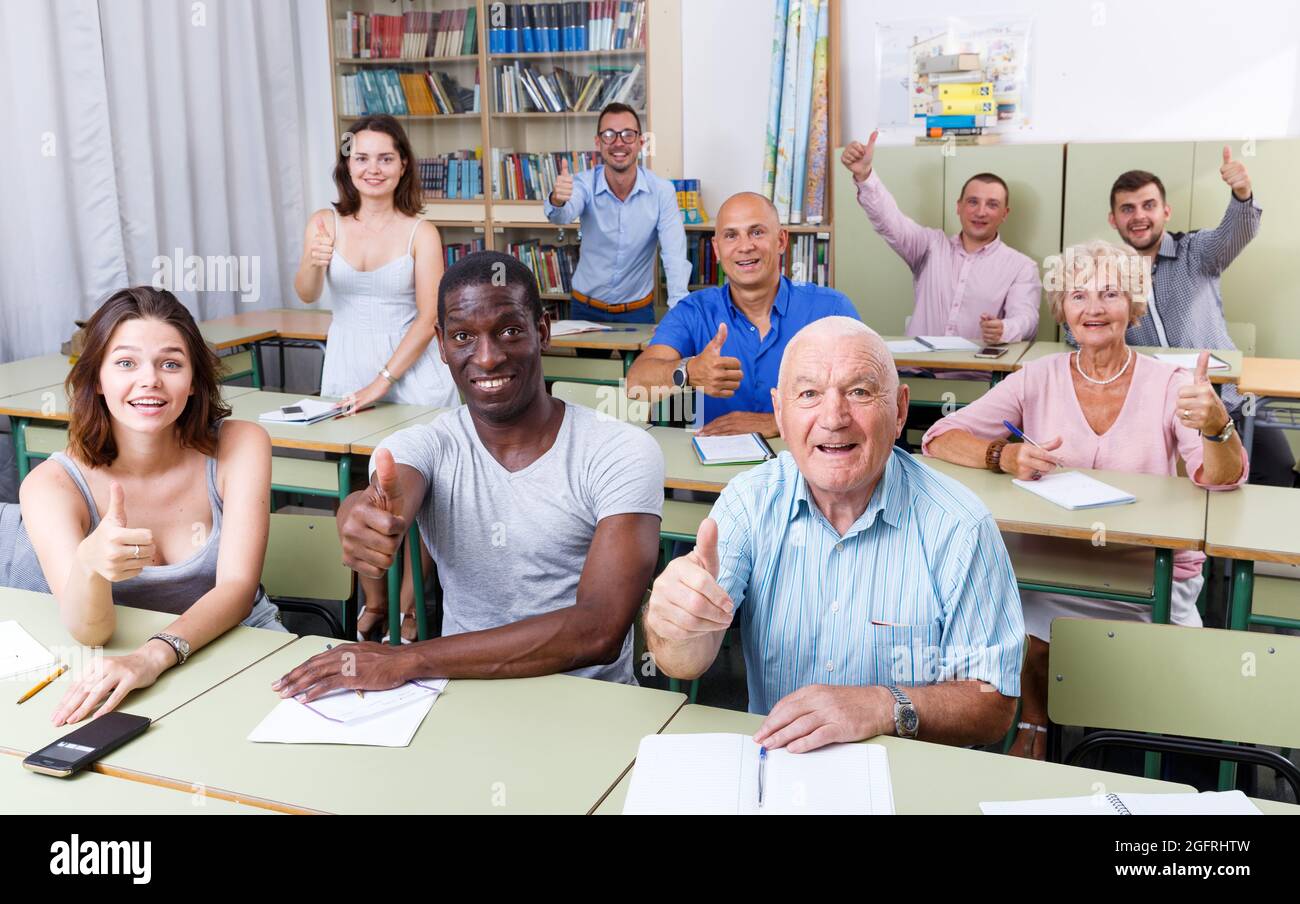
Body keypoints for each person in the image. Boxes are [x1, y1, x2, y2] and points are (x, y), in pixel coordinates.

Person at [272, 252, 664, 701]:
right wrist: (355, 515)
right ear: (440, 345)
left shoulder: (620, 451)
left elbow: (598, 630)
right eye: (463, 336)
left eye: (510, 331)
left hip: (589, 704)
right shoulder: (430, 444)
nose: (488, 357)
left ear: (543, 330)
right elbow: (384, 494)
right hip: (461, 697)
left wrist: (410, 659)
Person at [922, 239, 1248, 759]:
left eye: (1110, 293)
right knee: (1019, 613)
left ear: (1133, 306)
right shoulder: (1037, 377)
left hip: (1149, 569)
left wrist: (1216, 425)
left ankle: (1131, 741)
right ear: (1062, 310)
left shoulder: (1169, 383)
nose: (1093, 308)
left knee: (1174, 698)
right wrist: (1003, 457)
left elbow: (1222, 476)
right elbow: (940, 436)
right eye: (1078, 295)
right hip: (1054, 561)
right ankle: (1036, 723)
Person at [644, 317, 1024, 752]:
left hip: (910, 780)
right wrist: (673, 626)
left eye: (859, 392)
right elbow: (686, 661)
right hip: (781, 769)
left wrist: (882, 706)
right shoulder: (748, 502)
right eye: (808, 394)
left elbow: (992, 705)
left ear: (900, 410)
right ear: (781, 414)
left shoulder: (961, 525)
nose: (834, 418)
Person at [12, 287, 279, 727]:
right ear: (97, 378)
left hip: (237, 645)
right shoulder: (51, 486)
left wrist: (154, 657)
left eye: (170, 363)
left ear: (194, 380)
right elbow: (91, 632)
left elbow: (237, 590)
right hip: (118, 669)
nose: (150, 380)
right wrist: (91, 564)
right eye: (126, 363)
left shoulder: (241, 444)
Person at [295, 113, 459, 641]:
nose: (373, 168)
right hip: (347, 368)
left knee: (418, 494)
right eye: (361, 157)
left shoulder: (421, 231)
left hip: (412, 377)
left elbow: (431, 315)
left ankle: (411, 608)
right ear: (347, 164)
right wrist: (313, 262)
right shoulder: (325, 223)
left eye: (385, 158)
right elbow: (304, 292)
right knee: (362, 491)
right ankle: (374, 602)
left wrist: (383, 382)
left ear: (402, 165)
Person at [1103, 154, 1291, 486]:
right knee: (1162, 490)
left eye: (1148, 205)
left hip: (1228, 399)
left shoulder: (1196, 251)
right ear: (1113, 219)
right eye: (1127, 209)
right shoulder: (1106, 274)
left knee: (1277, 471)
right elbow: (1081, 334)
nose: (1139, 216)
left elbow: (1237, 232)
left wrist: (1242, 194)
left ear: (1165, 212)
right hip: (1153, 407)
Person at [625, 192, 860, 437]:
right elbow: (634, 384)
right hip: (716, 468)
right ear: (716, 249)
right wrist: (690, 371)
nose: (745, 246)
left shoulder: (831, 310)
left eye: (757, 232)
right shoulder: (694, 311)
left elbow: (864, 397)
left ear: (781, 241)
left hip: (811, 463)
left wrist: (778, 423)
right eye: (731, 236)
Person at [842, 130, 1040, 346]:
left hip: (975, 375)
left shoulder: (1021, 267)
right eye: (973, 202)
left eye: (992, 204)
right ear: (959, 206)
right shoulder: (930, 246)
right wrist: (865, 175)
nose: (981, 212)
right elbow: (890, 220)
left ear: (1005, 214)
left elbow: (1027, 319)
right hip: (919, 372)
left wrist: (1004, 329)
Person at [544, 102, 690, 323]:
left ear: (641, 142)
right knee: (589, 360)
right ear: (598, 142)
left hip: (638, 311)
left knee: (643, 360)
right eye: (609, 134)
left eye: (628, 135)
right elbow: (561, 215)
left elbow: (674, 256)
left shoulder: (662, 191)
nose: (619, 143)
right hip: (585, 309)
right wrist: (557, 200)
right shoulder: (583, 184)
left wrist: (679, 311)